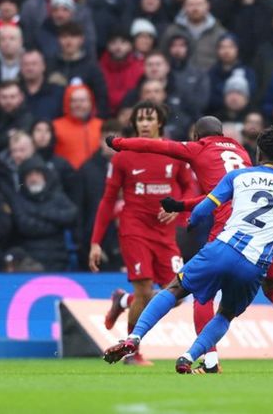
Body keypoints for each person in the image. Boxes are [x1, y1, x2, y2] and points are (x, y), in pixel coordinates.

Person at [103, 127, 273, 374]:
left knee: (175, 288)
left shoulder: (239, 177)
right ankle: (190, 356)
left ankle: (135, 338)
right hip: (256, 264)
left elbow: (203, 209)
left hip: (222, 248)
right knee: (226, 314)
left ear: (258, 152)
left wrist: (191, 222)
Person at [89, 101, 193, 366]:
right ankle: (132, 353)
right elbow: (108, 199)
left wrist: (179, 210)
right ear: (134, 123)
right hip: (134, 228)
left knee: (178, 294)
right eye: (140, 119)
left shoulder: (175, 152)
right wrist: (95, 242)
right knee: (145, 289)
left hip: (165, 234)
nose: (145, 124)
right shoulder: (123, 156)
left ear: (160, 122)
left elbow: (189, 187)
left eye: (150, 118)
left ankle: (123, 300)